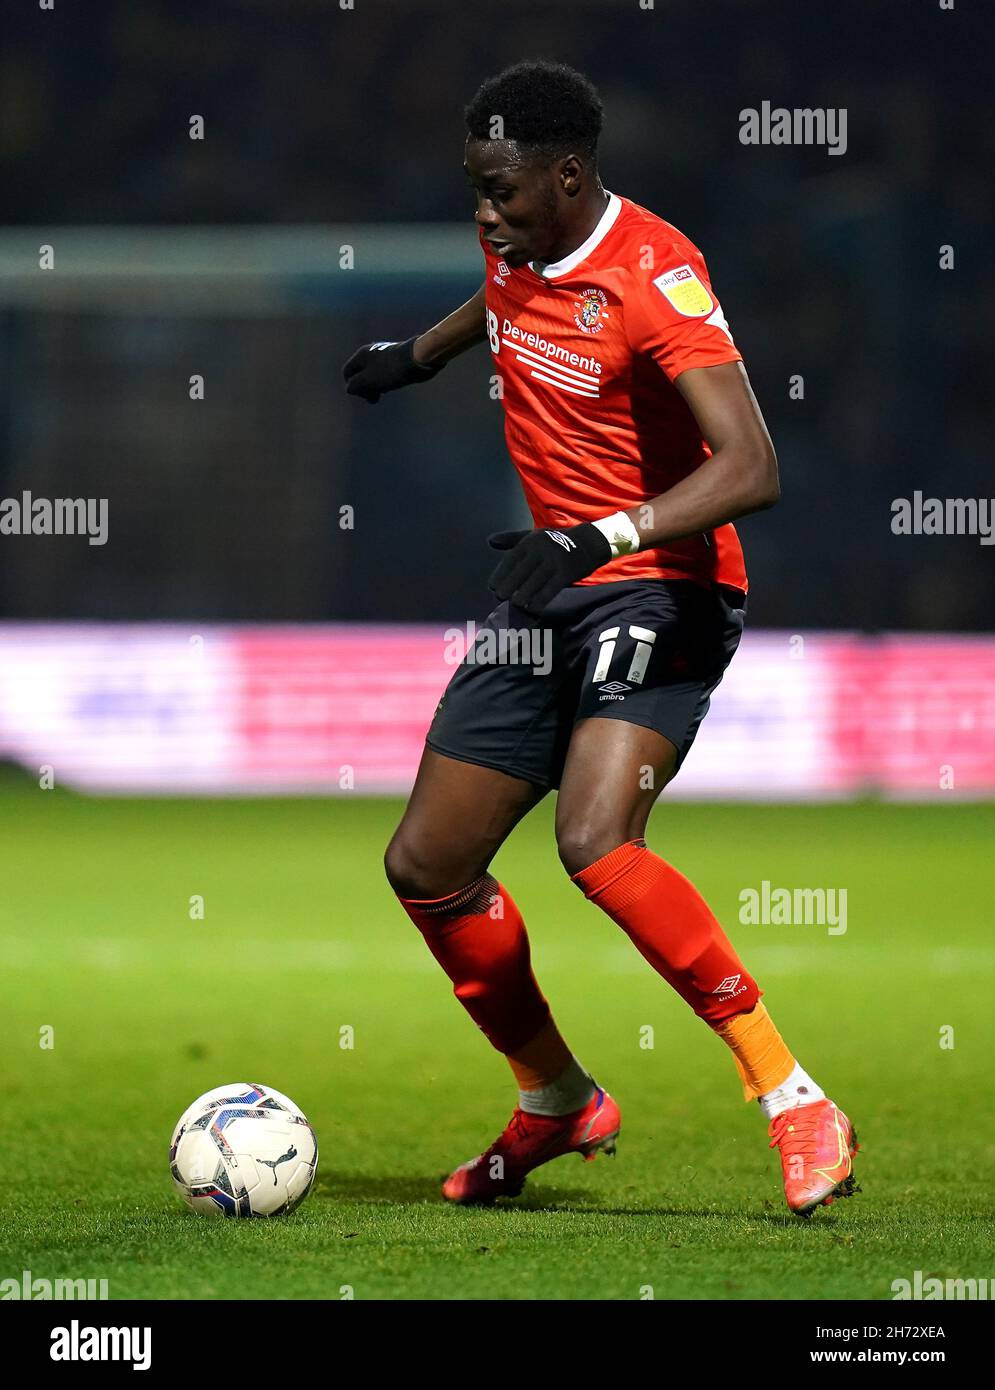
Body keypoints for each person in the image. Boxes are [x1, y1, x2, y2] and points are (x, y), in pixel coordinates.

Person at [343, 60, 858, 1216]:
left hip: (662, 583)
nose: (483, 211)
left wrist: (599, 536)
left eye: (501, 189)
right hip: (554, 587)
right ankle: (556, 1096)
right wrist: (418, 357)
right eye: (473, 187)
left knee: (593, 838)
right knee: (425, 863)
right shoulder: (517, 243)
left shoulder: (654, 274)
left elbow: (750, 467)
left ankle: (792, 1096)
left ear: (566, 176)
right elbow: (505, 299)